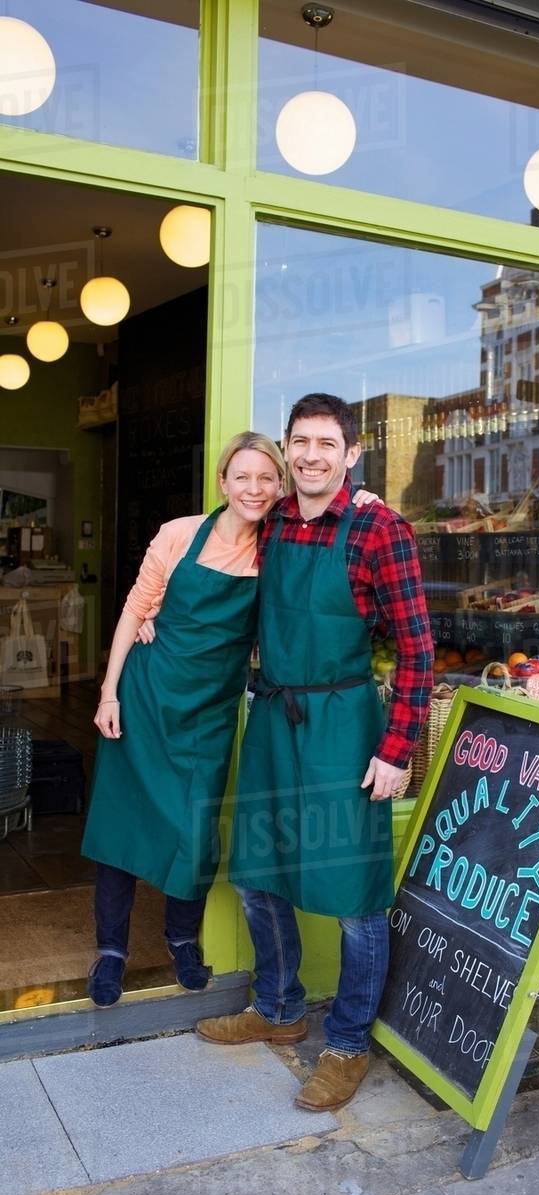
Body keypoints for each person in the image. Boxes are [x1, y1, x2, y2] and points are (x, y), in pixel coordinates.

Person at [81, 429, 380, 1008]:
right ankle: (111, 952)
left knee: (194, 833)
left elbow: (339, 521)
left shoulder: (278, 543)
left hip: (211, 714)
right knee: (121, 829)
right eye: (241, 476)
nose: (254, 488)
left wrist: (366, 500)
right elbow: (135, 608)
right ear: (222, 481)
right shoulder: (178, 535)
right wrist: (109, 691)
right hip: (145, 697)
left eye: (266, 477)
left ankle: (181, 940)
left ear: (281, 486)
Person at [196, 393, 434, 1114]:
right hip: (272, 714)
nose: (309, 455)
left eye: (326, 444)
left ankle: (348, 1044)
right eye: (299, 441)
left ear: (351, 453)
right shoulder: (269, 525)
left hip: (343, 726)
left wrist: (396, 751)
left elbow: (419, 651)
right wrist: (153, 627)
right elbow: (198, 557)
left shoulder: (378, 528)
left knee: (354, 895)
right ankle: (279, 1006)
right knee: (256, 874)